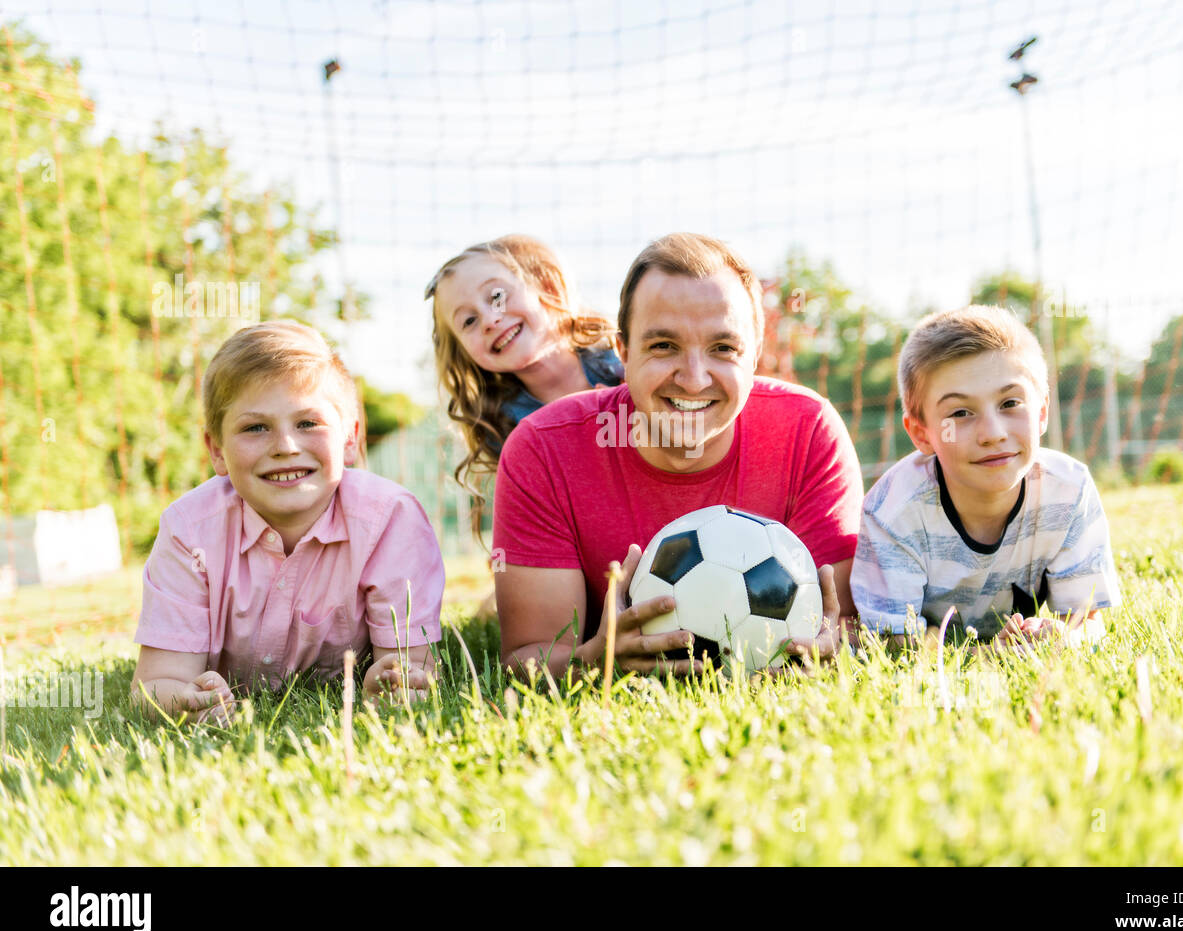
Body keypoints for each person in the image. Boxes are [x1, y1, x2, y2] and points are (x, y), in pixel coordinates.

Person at [491, 233, 864, 679]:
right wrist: (595, 661)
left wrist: (826, 647)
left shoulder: (808, 431)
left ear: (755, 356)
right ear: (623, 351)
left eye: (723, 348)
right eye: (664, 346)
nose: (692, 379)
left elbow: (843, 628)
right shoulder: (543, 449)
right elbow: (525, 658)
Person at [131, 320, 445, 724]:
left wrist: (392, 685)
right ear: (217, 450)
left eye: (308, 423)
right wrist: (187, 703)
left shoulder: (390, 520)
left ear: (350, 438)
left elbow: (411, 671)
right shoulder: (188, 530)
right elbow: (155, 685)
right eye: (255, 427)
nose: (285, 446)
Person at [850, 305, 1121, 653]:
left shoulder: (1068, 491)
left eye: (1010, 403)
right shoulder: (893, 511)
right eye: (960, 413)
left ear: (1041, 413)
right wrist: (990, 656)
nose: (992, 434)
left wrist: (1062, 638)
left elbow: (1088, 623)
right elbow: (893, 644)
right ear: (922, 433)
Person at [425, 235, 623, 512]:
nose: (490, 320)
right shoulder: (504, 425)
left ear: (544, 285)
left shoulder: (621, 358)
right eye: (469, 320)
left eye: (497, 296)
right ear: (463, 352)